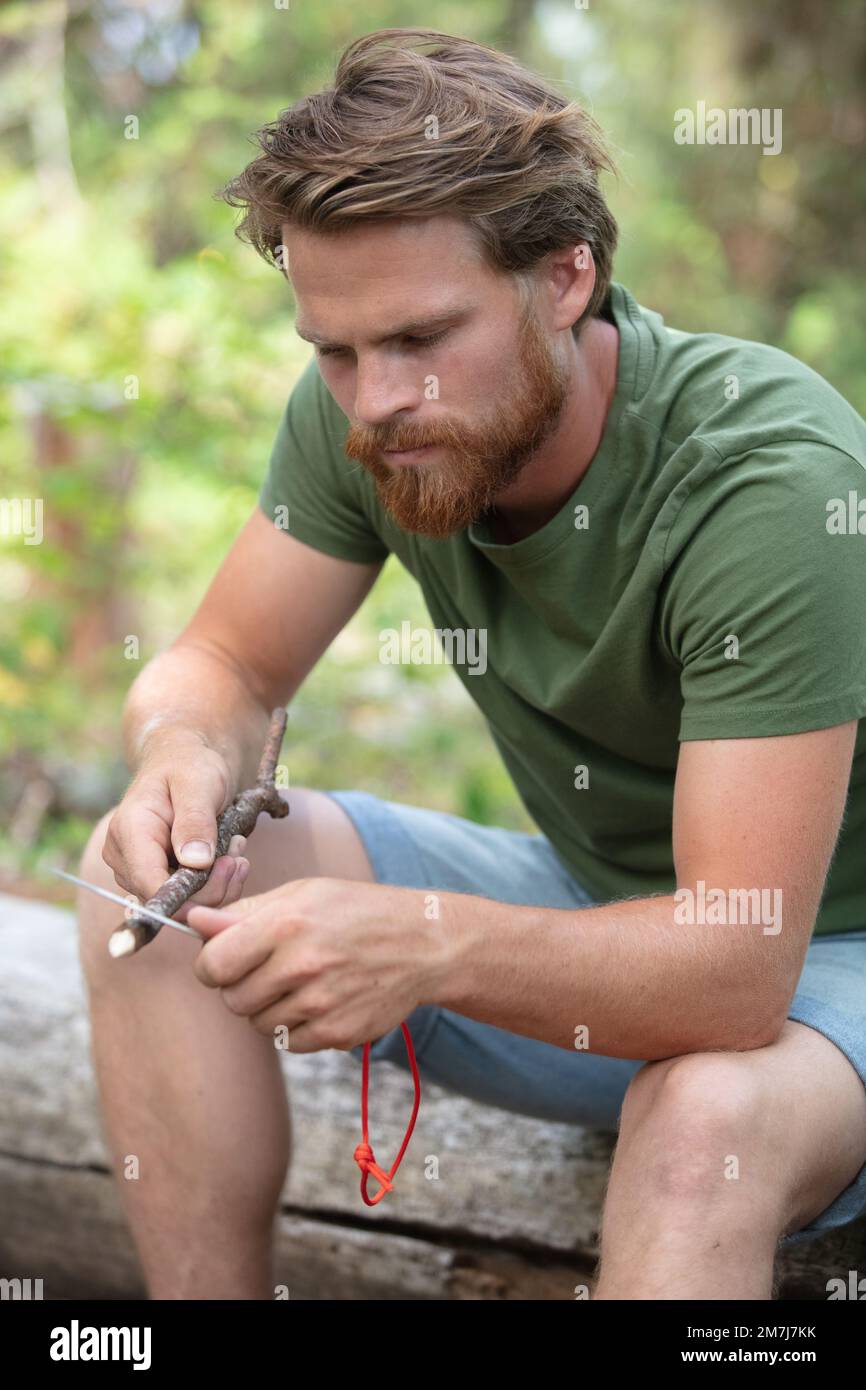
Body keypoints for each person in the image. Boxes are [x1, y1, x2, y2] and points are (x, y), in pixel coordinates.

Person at [77, 28, 866, 1300]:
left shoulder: (765, 482)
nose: (374, 400)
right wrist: (177, 751)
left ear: (565, 276)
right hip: (603, 909)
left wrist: (429, 944)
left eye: (419, 337)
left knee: (701, 1116)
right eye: (333, 351)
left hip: (814, 968)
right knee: (146, 896)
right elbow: (220, 659)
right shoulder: (369, 420)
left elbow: (732, 972)